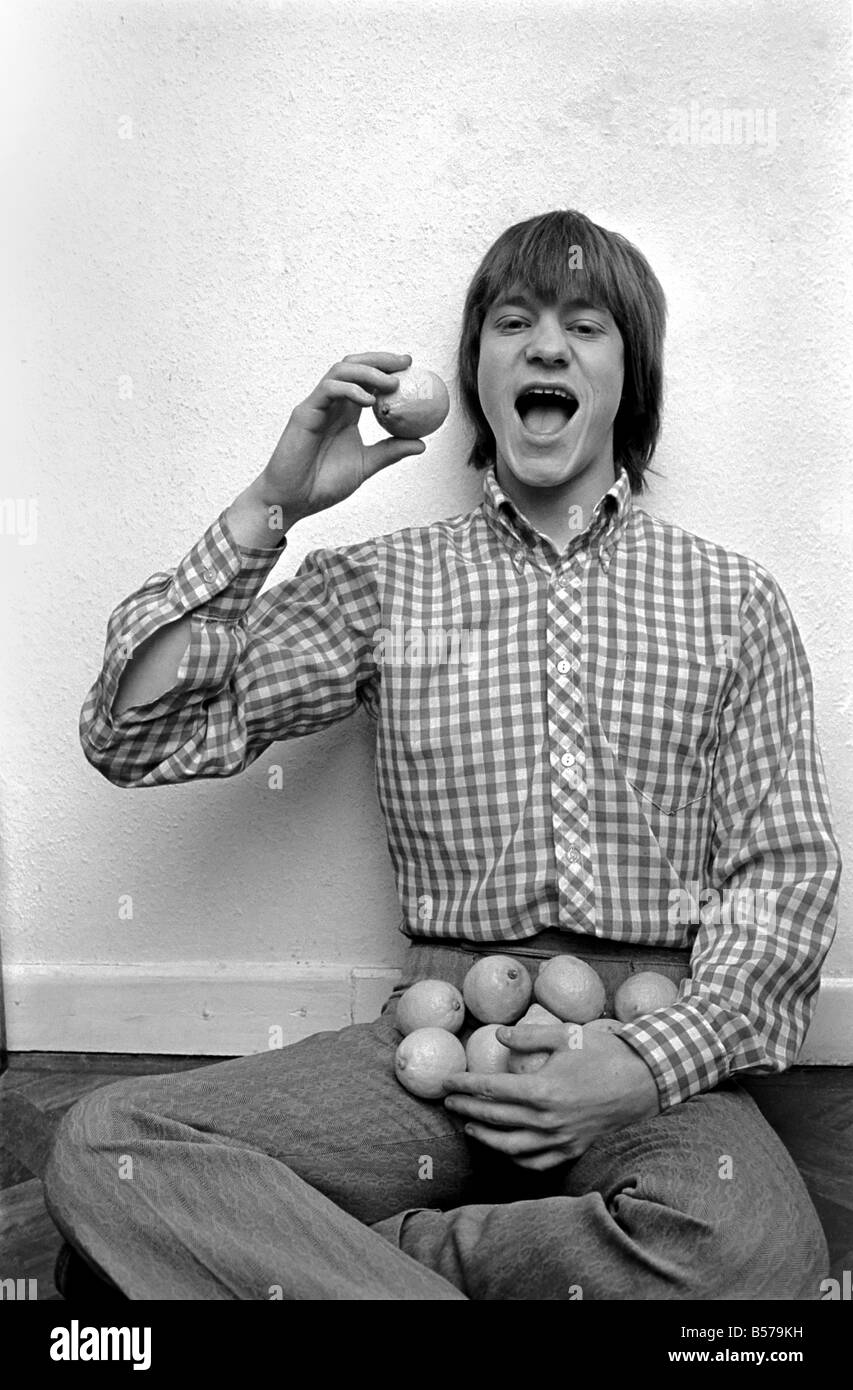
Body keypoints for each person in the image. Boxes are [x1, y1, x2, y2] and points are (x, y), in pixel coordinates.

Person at [44, 209, 841, 1300]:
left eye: (585, 325)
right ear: (477, 370)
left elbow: (783, 877)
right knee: (108, 1147)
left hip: (649, 1051)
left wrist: (644, 1062)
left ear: (630, 376)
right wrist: (277, 501)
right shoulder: (386, 585)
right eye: (512, 321)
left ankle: (367, 1264)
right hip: (434, 1041)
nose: (545, 346)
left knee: (757, 1251)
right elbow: (133, 734)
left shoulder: (731, 601)